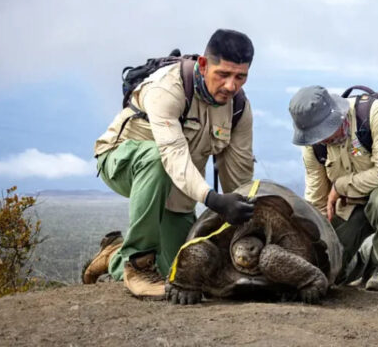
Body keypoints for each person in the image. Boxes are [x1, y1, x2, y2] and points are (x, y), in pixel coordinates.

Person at [85, 29, 256, 300]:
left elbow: (239, 175)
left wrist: (244, 216)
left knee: (185, 275)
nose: (231, 86)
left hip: (177, 190)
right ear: (203, 64)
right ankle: (138, 264)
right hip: (123, 162)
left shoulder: (238, 109)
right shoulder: (167, 88)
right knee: (155, 158)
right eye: (222, 74)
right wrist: (213, 199)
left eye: (240, 77)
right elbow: (172, 155)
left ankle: (114, 256)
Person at [288, 86, 378, 291]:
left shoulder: (375, 114)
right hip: (352, 202)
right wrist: (313, 241)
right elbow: (317, 200)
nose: (322, 138)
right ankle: (367, 261)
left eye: (324, 131)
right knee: (326, 267)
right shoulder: (313, 146)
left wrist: (340, 186)